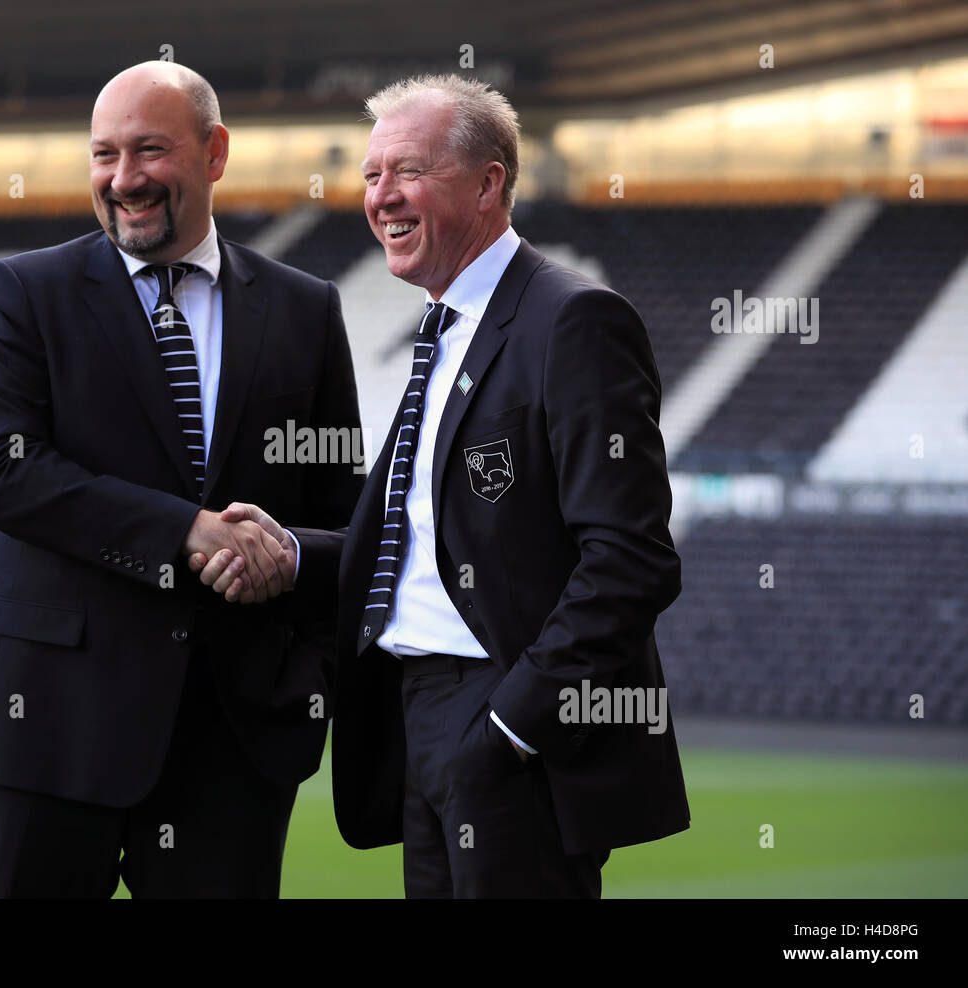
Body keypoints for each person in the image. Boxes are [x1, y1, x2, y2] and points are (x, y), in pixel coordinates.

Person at [194, 74, 689, 898]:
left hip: (501, 716)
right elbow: (412, 543)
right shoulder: (442, 329)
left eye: (408, 172)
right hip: (413, 713)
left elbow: (633, 560)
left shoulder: (572, 320)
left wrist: (513, 723)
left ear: (490, 183)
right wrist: (290, 552)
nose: (381, 197)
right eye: (371, 176)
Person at [0, 60, 361, 898]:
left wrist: (308, 681)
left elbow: (344, 522)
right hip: (42, 734)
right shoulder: (22, 292)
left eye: (150, 151)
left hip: (232, 745)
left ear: (216, 153)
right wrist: (187, 531)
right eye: (104, 155)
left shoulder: (305, 309)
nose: (124, 180)